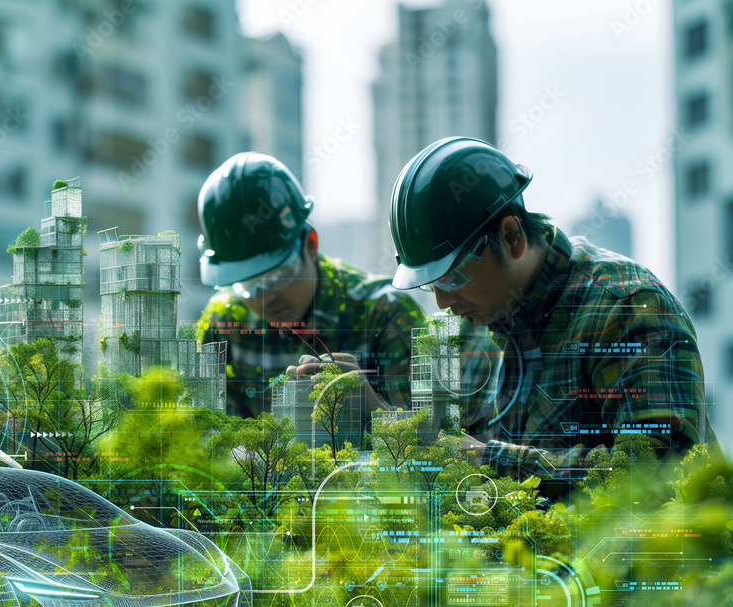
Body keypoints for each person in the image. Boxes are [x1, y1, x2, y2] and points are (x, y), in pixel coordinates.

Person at [387, 136, 714, 483]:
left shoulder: (625, 308)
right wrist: (378, 416)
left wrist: (486, 459)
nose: (442, 301)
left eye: (453, 276)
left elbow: (662, 471)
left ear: (512, 236)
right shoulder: (467, 333)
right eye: (429, 283)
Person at [196, 152, 427, 422]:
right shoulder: (223, 322)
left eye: (277, 276)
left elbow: (437, 444)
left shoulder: (386, 316)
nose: (264, 298)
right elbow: (209, 435)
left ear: (310, 245)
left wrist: (373, 410)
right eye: (246, 285)